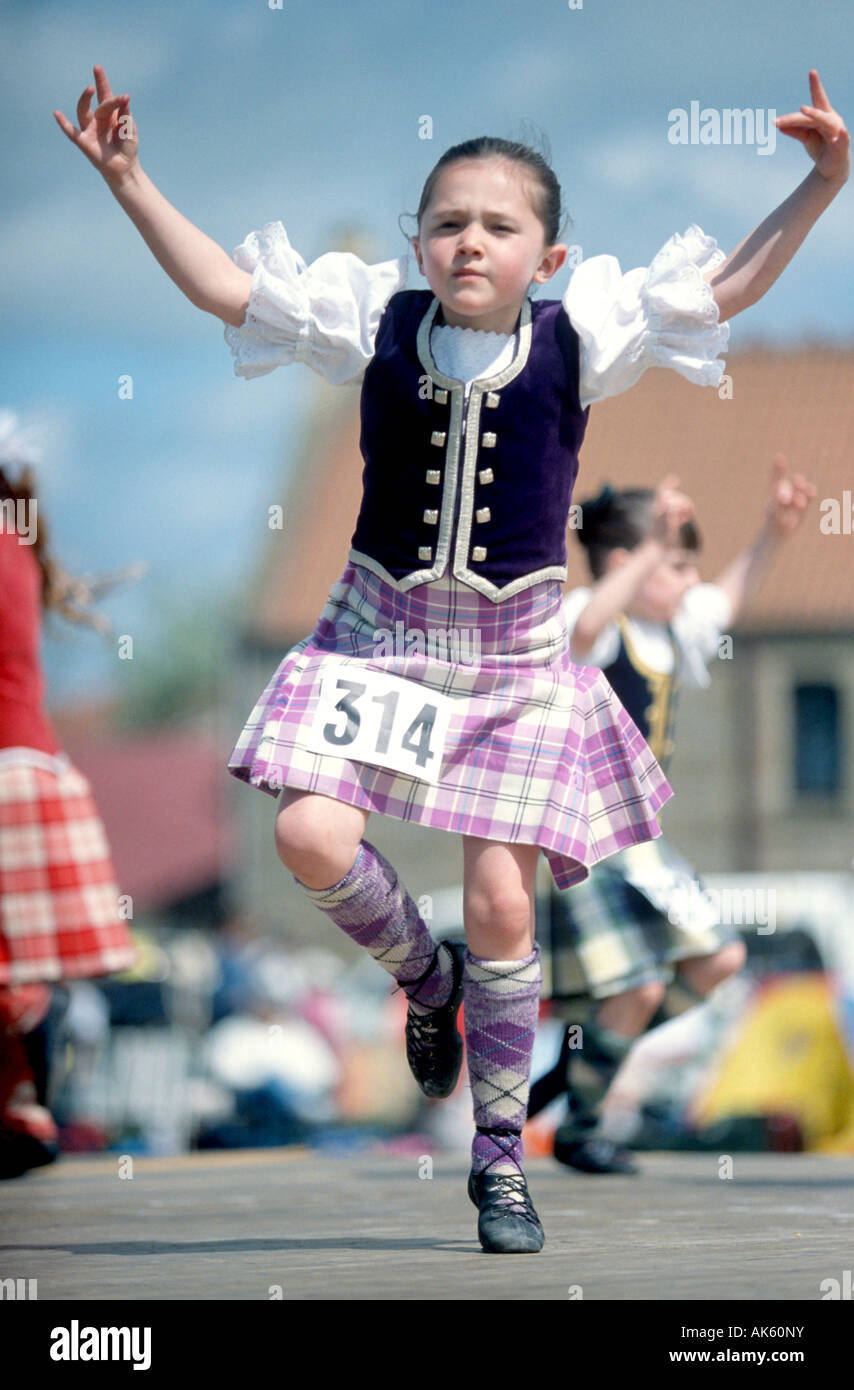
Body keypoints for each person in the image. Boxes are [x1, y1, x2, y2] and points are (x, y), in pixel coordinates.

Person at [55, 65, 847, 1252]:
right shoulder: (368, 317)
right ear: (416, 241)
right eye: (447, 221)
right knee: (307, 834)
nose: (469, 240)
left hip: (514, 651)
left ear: (551, 254)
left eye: (498, 224)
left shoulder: (582, 333)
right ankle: (426, 979)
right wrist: (129, 181)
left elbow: (721, 287)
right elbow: (228, 288)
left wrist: (822, 183)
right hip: (380, 631)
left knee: (500, 894)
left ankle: (497, 1162)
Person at [529, 462, 817, 1174]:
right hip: (587, 831)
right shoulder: (591, 623)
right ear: (629, 562)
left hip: (643, 836)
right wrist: (654, 547)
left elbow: (722, 602)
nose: (690, 580)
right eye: (674, 564)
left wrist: (771, 535)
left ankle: (588, 1067)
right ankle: (584, 1123)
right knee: (641, 987)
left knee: (720, 957)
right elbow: (590, 620)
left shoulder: (670, 631)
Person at [0, 414, 138, 1178]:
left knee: (9, 967)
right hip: (31, 763)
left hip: (5, 764)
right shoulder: (19, 546)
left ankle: (22, 1088)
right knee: (14, 962)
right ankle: (23, 1104)